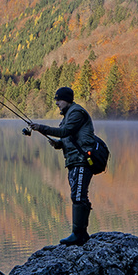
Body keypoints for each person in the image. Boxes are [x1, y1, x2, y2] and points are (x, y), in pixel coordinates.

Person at [29, 86, 96, 245]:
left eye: (58, 99)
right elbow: (69, 137)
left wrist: (41, 127)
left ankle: (78, 234)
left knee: (78, 196)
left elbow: (65, 131)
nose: (57, 103)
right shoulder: (68, 114)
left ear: (66, 99)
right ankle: (82, 233)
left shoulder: (76, 113)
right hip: (74, 160)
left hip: (82, 160)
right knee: (79, 195)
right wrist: (59, 144)